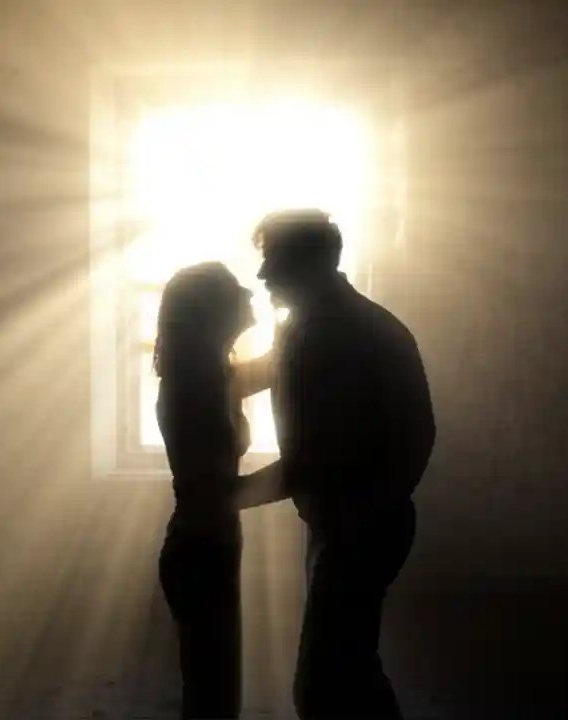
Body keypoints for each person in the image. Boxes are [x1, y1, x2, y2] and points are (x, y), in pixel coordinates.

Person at [238, 209, 435, 720]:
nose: (262, 276)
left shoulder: (338, 336)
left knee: (325, 683)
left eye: (272, 262)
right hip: (353, 523)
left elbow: (313, 461)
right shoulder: (317, 326)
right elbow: (263, 375)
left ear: (307, 264)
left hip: (359, 527)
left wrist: (220, 498)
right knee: (350, 668)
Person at [154, 261, 273, 720]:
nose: (249, 290)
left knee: (213, 691)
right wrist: (299, 476)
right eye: (233, 288)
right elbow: (211, 494)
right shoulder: (197, 387)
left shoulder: (209, 377)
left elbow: (272, 368)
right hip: (200, 550)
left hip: (206, 546)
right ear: (214, 310)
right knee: (212, 696)